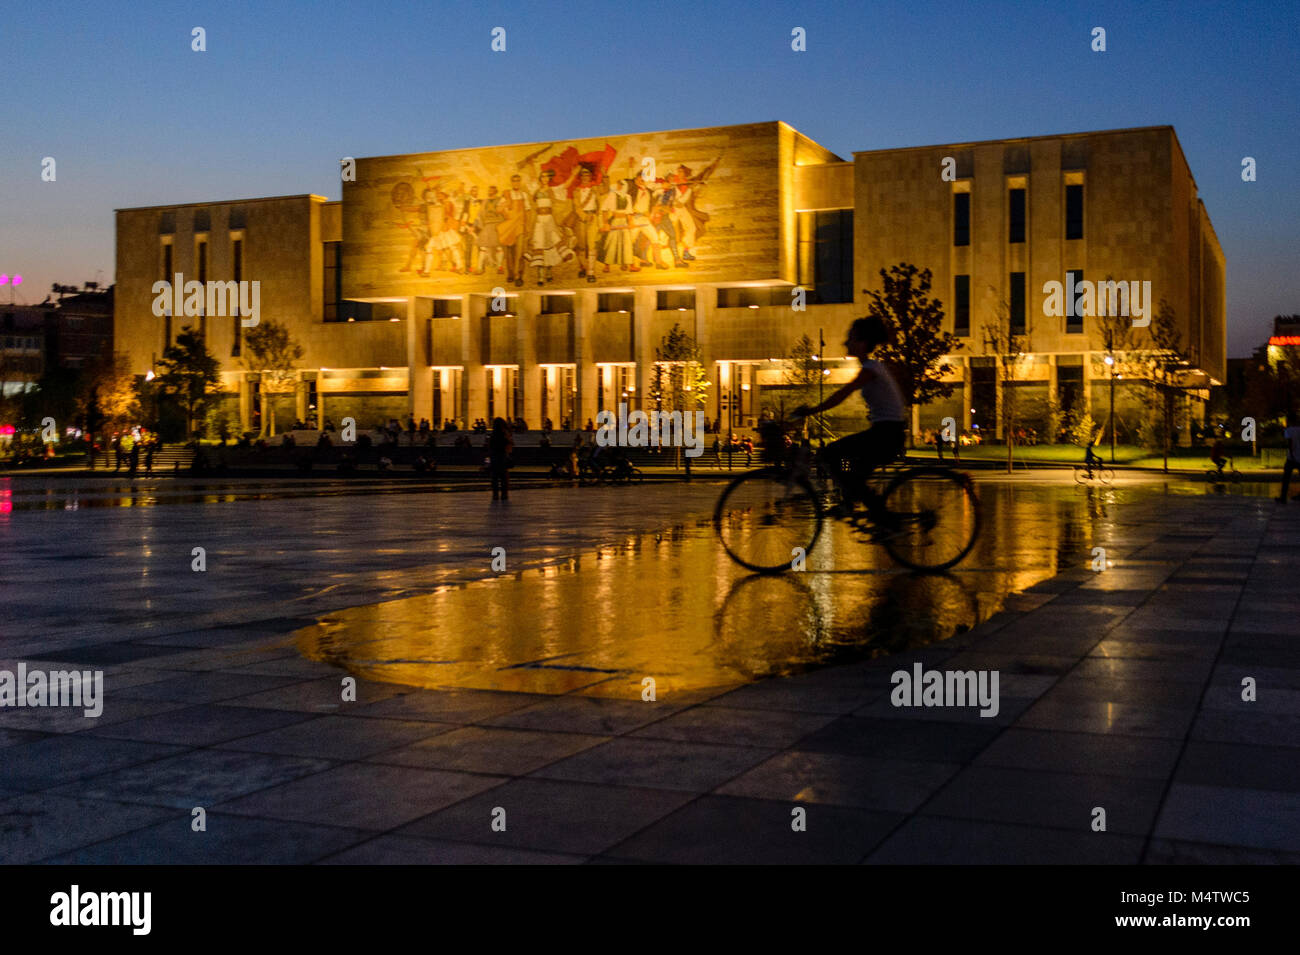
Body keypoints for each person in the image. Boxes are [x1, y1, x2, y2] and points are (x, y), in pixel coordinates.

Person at [793, 316, 906, 518]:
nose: (846, 343)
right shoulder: (872, 367)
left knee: (831, 454)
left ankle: (867, 510)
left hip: (887, 435)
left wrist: (812, 410)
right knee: (854, 474)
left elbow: (844, 393)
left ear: (862, 343)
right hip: (885, 433)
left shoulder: (871, 369)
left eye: (851, 338)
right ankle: (871, 512)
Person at [488, 417, 513, 501]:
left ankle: (495, 495)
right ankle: (504, 495)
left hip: (494, 457)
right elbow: (510, 444)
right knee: (504, 477)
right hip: (502, 457)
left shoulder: (493, 435)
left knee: (494, 477)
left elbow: (490, 447)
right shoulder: (504, 434)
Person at [1279, 412, 1300, 503]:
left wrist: (1291, 454)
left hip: (1292, 458)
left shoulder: (1289, 430)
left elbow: (1290, 443)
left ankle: (1283, 497)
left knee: (1286, 478)